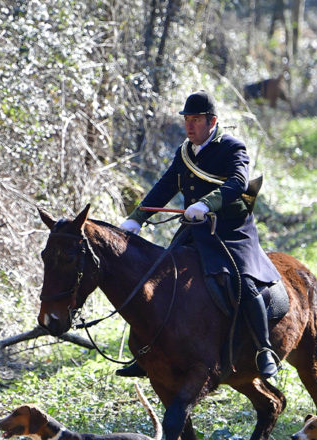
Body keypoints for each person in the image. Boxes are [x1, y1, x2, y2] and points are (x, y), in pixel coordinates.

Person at [118, 91, 281, 379]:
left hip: (232, 228)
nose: (189, 126)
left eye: (195, 120)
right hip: (196, 229)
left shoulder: (233, 147)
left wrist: (207, 203)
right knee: (158, 277)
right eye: (187, 120)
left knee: (243, 282)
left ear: (212, 121)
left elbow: (238, 182)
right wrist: (137, 218)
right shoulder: (185, 152)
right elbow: (166, 185)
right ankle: (145, 352)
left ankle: (263, 349)